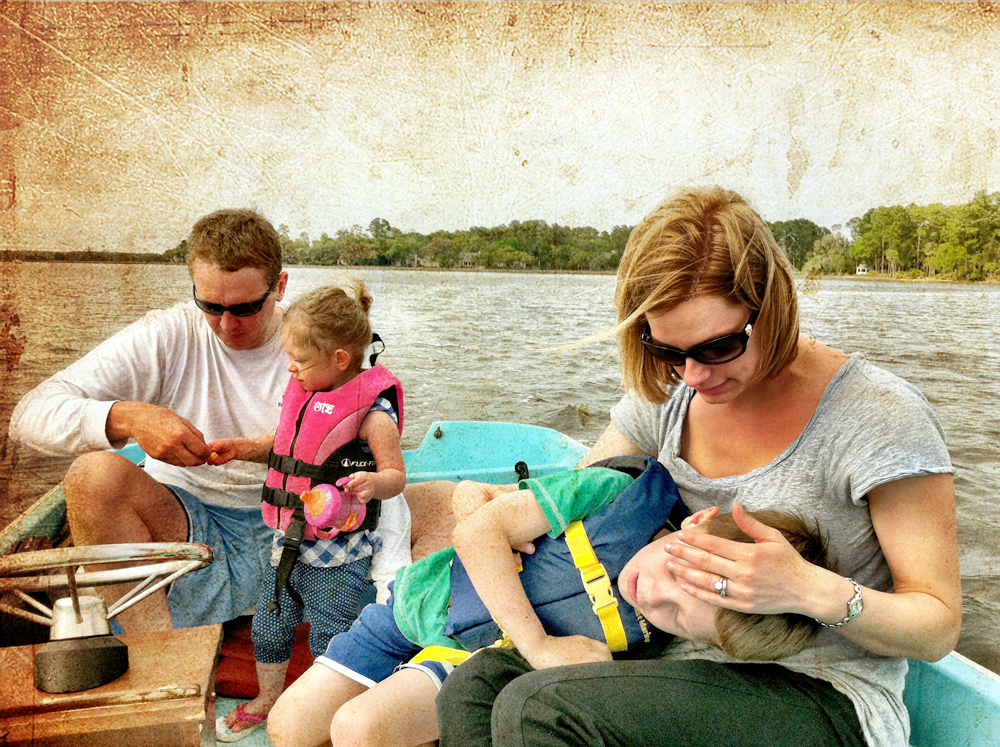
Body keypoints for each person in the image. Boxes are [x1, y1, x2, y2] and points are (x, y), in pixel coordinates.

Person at [435, 186, 962, 747]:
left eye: (716, 347)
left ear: (772, 306)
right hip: (676, 663)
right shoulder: (668, 399)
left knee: (539, 709)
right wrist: (490, 504)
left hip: (822, 692)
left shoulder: (879, 416)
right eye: (668, 351)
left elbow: (937, 628)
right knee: (477, 686)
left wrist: (807, 589)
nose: (693, 376)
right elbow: (581, 491)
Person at [7, 210, 410, 633]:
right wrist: (129, 416)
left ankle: (387, 625)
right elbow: (29, 414)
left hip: (300, 521)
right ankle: (156, 649)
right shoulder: (167, 334)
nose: (227, 324)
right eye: (211, 306)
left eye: (246, 307)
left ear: (280, 286)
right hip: (188, 523)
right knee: (93, 475)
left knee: (437, 502)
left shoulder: (318, 342)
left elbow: (358, 449)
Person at [265, 456, 832, 747]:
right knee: (288, 727)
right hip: (414, 605)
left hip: (472, 654)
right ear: (699, 523)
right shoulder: (611, 495)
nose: (654, 596)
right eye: (676, 575)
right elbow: (476, 531)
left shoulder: (663, 644)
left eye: (679, 616)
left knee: (359, 729)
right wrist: (539, 645)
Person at [211, 279, 407, 742]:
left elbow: (396, 476)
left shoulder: (374, 414)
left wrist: (374, 483)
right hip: (287, 543)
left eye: (299, 359)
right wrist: (241, 448)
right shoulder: (306, 393)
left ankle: (323, 715)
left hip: (338, 556)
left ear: (339, 359)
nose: (290, 367)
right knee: (269, 624)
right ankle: (268, 699)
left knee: (328, 634)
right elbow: (287, 449)